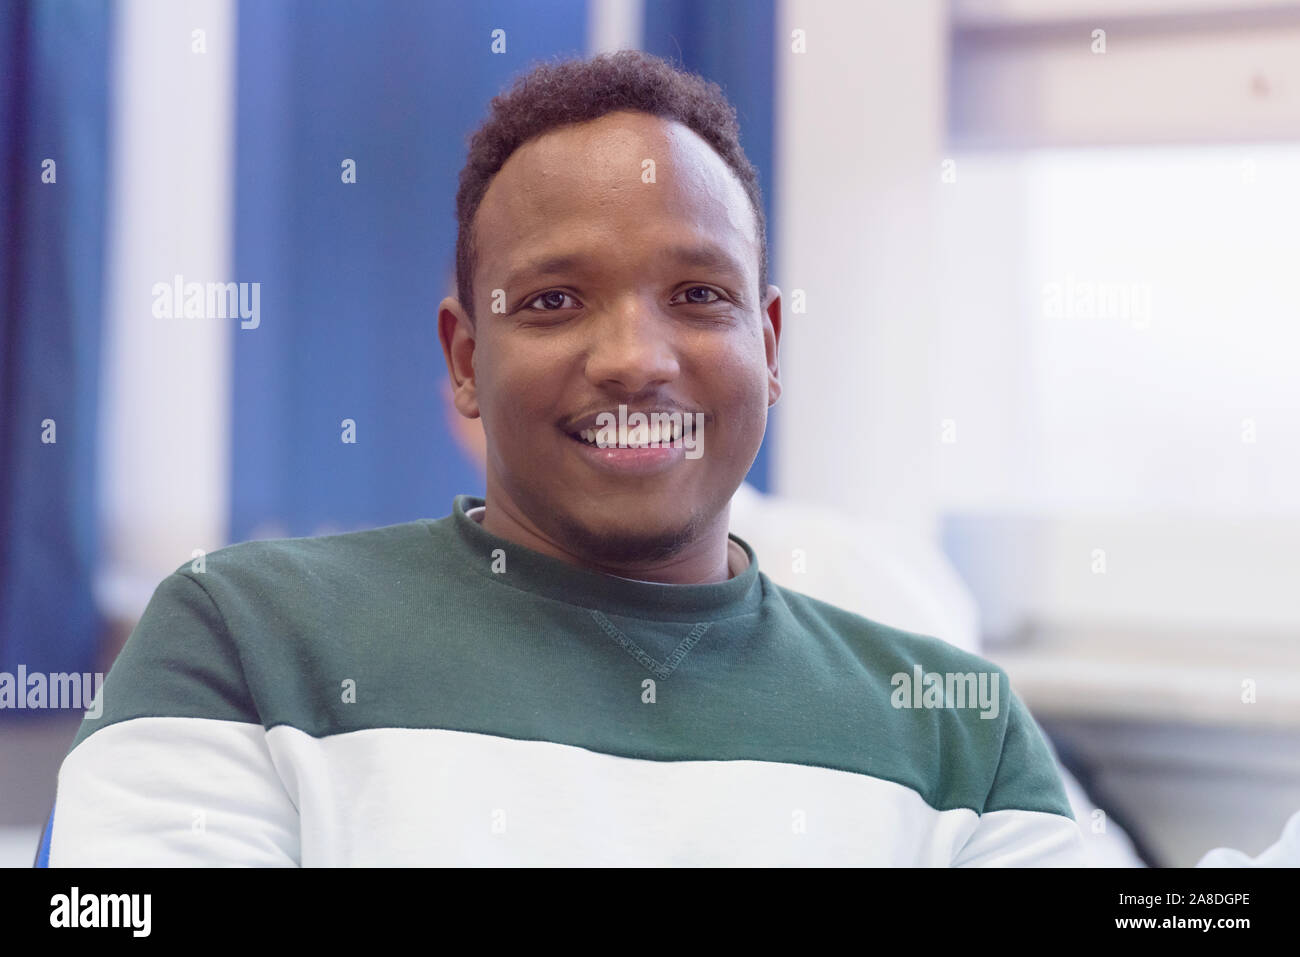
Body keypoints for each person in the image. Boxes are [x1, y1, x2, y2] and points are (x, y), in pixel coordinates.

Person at [46, 50, 1084, 866]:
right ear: (464, 359)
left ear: (767, 349)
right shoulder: (244, 638)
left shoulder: (958, 727)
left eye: (698, 296)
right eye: (552, 302)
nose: (635, 358)